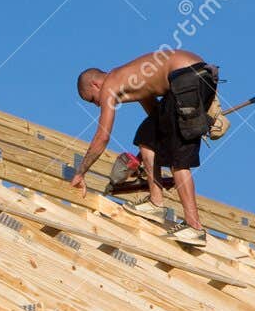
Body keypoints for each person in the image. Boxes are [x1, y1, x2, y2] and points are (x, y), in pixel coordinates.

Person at [68, 48, 219, 247]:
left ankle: (194, 227)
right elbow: (158, 120)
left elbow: (102, 137)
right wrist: (141, 161)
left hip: (185, 78)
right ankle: (156, 203)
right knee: (147, 137)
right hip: (197, 77)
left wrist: (81, 172)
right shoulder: (135, 80)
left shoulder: (109, 85)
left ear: (95, 84)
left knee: (179, 159)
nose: (97, 104)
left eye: (92, 99)